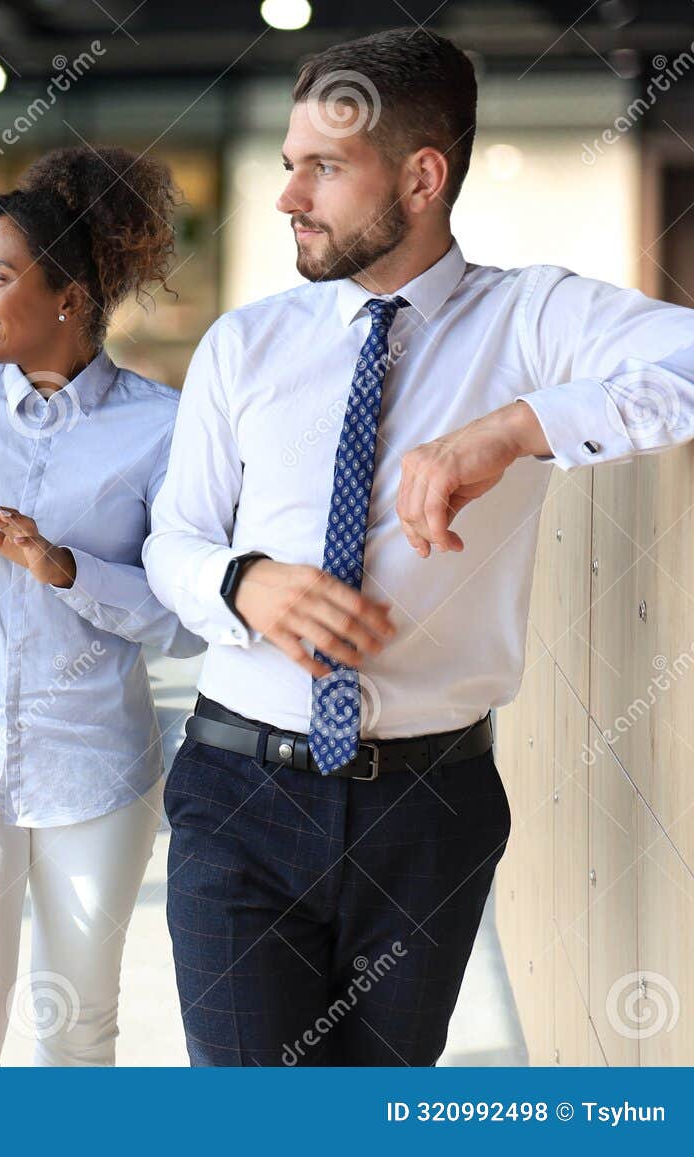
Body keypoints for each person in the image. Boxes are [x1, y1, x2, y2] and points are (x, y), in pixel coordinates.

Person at [146, 29, 694, 1066]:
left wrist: (518, 426)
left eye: (322, 167)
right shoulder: (245, 344)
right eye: (289, 164)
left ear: (421, 177)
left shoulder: (529, 318)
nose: (287, 196)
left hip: (431, 807)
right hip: (239, 790)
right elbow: (172, 539)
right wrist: (242, 581)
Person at [0, 145, 205, 1066]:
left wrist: (65, 569)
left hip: (95, 762)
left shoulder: (160, 426)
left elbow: (184, 623)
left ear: (69, 297)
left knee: (77, 1023)